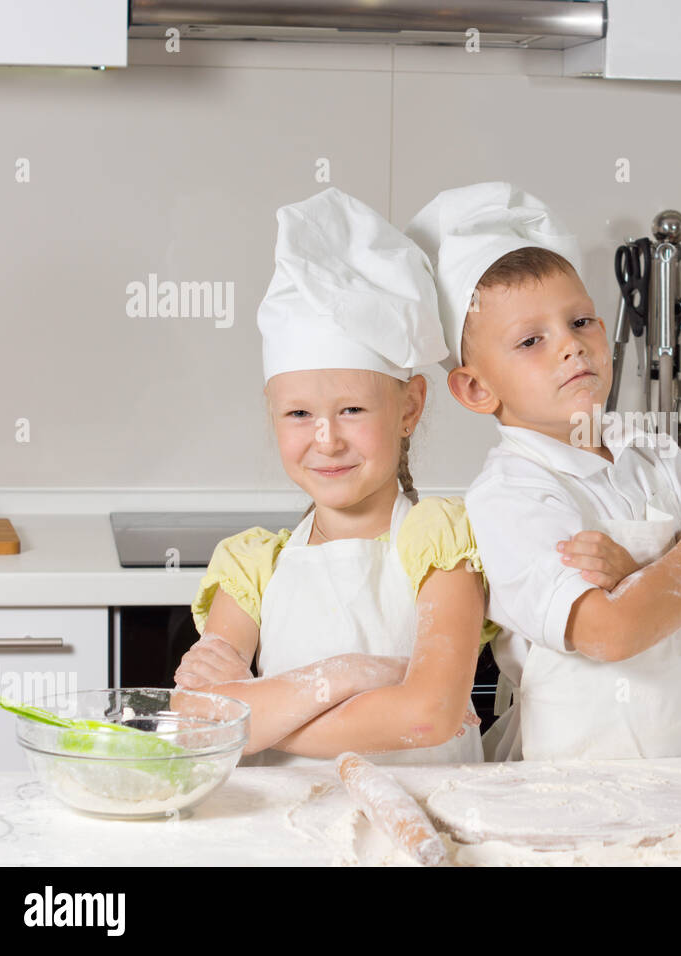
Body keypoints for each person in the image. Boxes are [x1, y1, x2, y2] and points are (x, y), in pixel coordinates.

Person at [406, 182, 681, 762]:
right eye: (531, 340)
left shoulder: (656, 455)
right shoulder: (512, 494)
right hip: (581, 786)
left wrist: (637, 576)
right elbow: (611, 634)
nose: (571, 348)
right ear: (476, 388)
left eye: (581, 321)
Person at [175, 186, 496, 766]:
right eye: (299, 413)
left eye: (352, 409)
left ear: (409, 407)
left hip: (427, 826)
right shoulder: (253, 566)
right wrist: (355, 673)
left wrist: (256, 720)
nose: (326, 439)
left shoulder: (440, 542)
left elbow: (426, 716)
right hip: (291, 837)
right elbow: (198, 725)